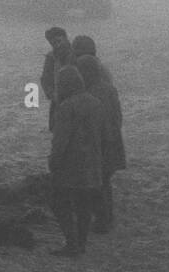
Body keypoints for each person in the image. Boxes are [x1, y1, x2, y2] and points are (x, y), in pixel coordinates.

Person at [48, 65, 104, 256]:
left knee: (58, 203)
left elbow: (60, 141)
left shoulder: (66, 107)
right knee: (84, 206)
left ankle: (72, 243)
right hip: (92, 162)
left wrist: (53, 162)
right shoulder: (96, 103)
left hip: (70, 164)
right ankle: (82, 243)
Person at [77, 54, 124, 232]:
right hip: (112, 141)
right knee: (104, 182)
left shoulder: (92, 94)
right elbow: (118, 117)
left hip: (100, 144)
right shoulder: (109, 89)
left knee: (98, 183)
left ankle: (102, 220)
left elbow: (94, 123)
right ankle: (106, 218)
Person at [40, 27, 71, 130]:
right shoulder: (51, 58)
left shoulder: (77, 55)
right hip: (58, 103)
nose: (57, 45)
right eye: (53, 43)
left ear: (66, 38)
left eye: (59, 41)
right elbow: (45, 80)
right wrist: (52, 94)